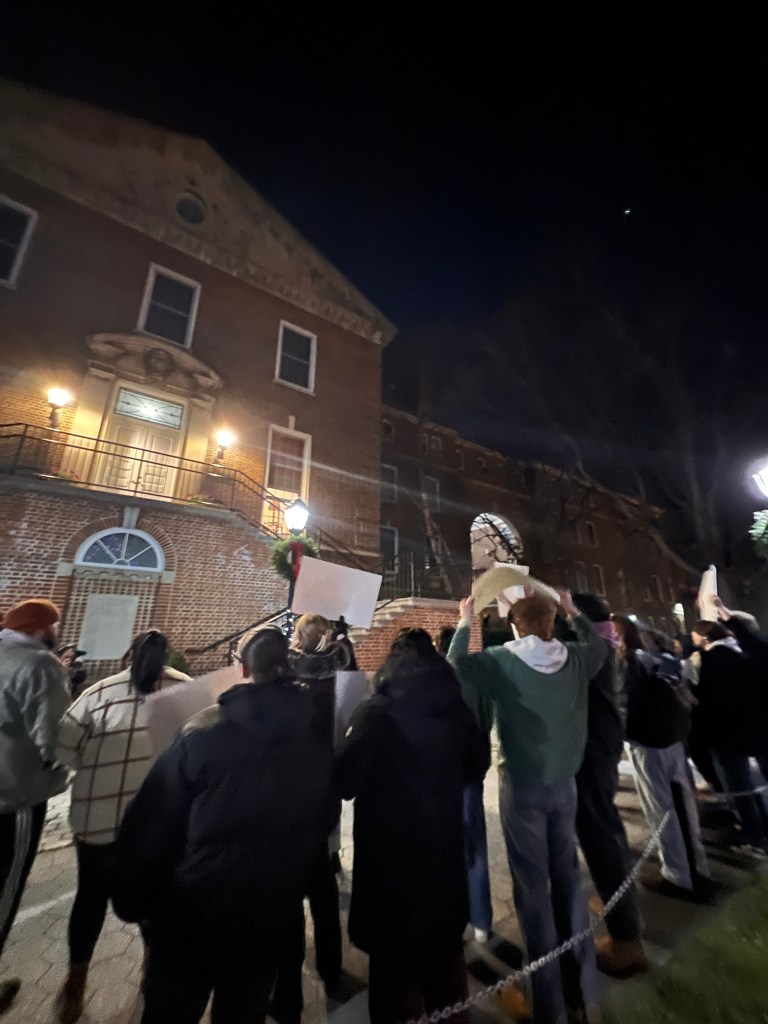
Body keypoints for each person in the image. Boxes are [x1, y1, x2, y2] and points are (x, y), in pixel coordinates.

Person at [111, 626, 334, 1024]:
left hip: (191, 921)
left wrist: (133, 900)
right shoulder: (315, 738)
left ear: (242, 669)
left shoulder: (202, 734)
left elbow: (150, 828)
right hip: (266, 920)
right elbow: (323, 819)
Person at [449, 592, 604, 1024]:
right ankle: (585, 987)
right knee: (568, 879)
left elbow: (456, 664)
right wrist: (575, 613)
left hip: (522, 786)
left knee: (533, 893)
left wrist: (465, 620)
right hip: (565, 784)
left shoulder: (500, 660)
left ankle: (548, 1004)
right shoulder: (574, 658)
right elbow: (601, 647)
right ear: (553, 621)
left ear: (515, 625)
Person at [337, 627, 488, 1024]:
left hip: (388, 864)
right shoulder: (456, 708)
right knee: (446, 972)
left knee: (392, 979)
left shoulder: (375, 713)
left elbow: (344, 780)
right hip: (441, 853)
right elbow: (477, 765)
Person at [54, 630, 192, 1022]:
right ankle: (153, 972)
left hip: (98, 817)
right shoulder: (184, 689)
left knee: (90, 901)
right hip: (158, 820)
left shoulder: (98, 692)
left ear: (127, 654)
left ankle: (76, 981)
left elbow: (64, 747)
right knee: (156, 901)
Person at [571, 594, 647, 979]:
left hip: (590, 754)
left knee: (600, 838)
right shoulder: (605, 645)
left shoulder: (593, 652)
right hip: (602, 749)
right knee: (609, 833)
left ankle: (626, 941)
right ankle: (624, 911)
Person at [0, 599, 70, 1015]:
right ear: (45, 629)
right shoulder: (41, 666)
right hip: (15, 792)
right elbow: (53, 736)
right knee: (6, 885)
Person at [613, 616, 711, 901]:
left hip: (648, 745)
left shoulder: (627, 663)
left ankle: (677, 875)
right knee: (683, 806)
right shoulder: (655, 658)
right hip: (673, 740)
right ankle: (697, 869)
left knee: (660, 809)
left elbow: (626, 707)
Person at [285, 615, 349, 997]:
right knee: (323, 884)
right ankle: (331, 967)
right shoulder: (337, 672)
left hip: (289, 786)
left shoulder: (286, 674)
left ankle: (289, 978)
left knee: (289, 888)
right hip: (324, 778)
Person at [689, 618, 768, 855]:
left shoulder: (704, 661)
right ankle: (762, 830)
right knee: (748, 787)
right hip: (748, 731)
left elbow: (698, 701)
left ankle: (755, 840)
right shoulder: (742, 656)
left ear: (703, 637)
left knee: (738, 790)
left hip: (722, 735)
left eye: (693, 635)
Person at [435, 623, 493, 943]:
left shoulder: (448, 675)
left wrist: (466, 620)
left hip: (452, 771)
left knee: (453, 845)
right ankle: (481, 917)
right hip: (475, 768)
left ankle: (457, 914)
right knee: (476, 843)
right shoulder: (479, 679)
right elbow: (489, 717)